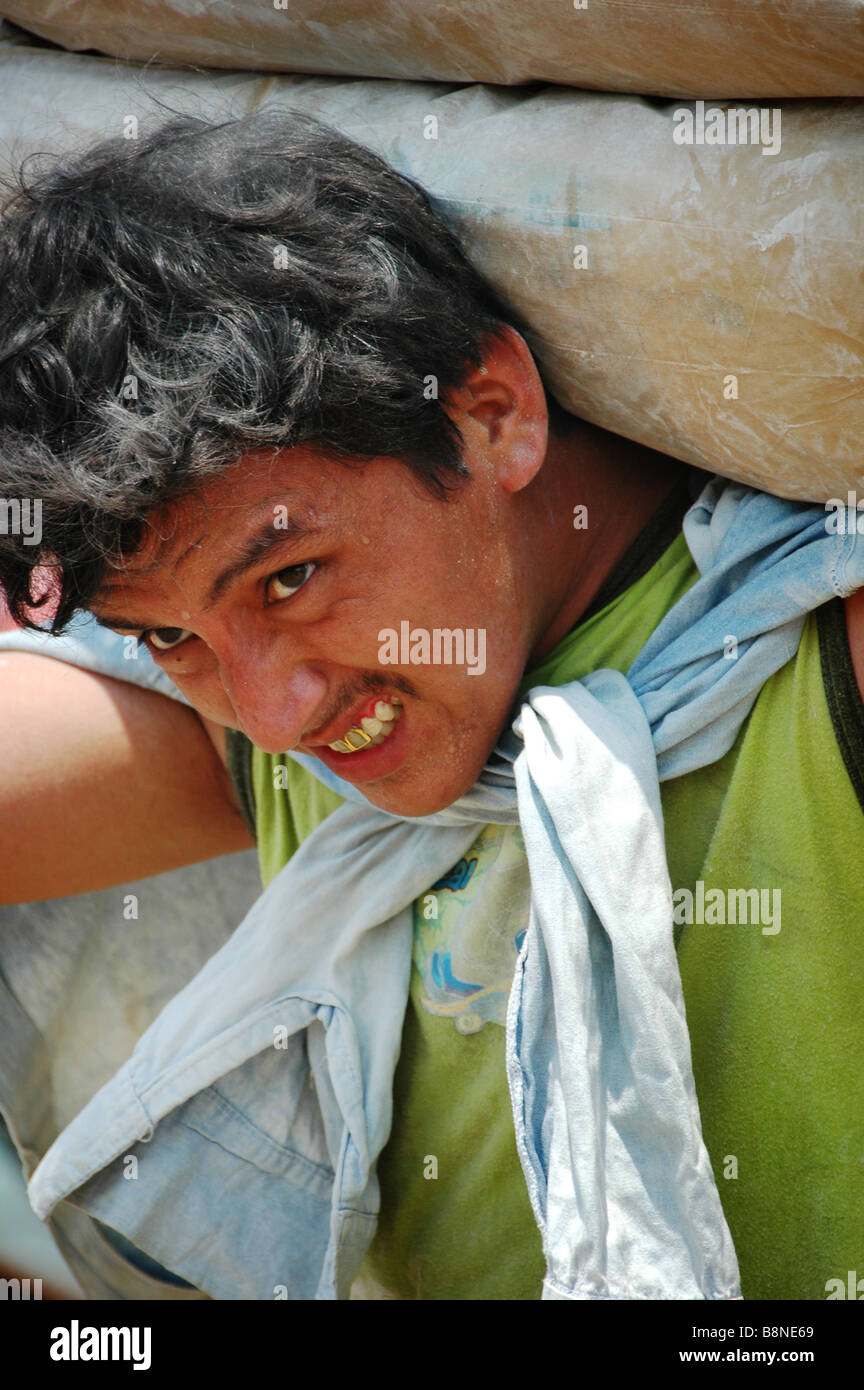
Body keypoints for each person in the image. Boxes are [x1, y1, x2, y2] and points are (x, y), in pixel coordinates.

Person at [0, 108, 862, 1302]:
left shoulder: (821, 666)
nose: (276, 711)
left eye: (290, 577)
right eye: (170, 638)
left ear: (491, 414)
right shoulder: (269, 732)